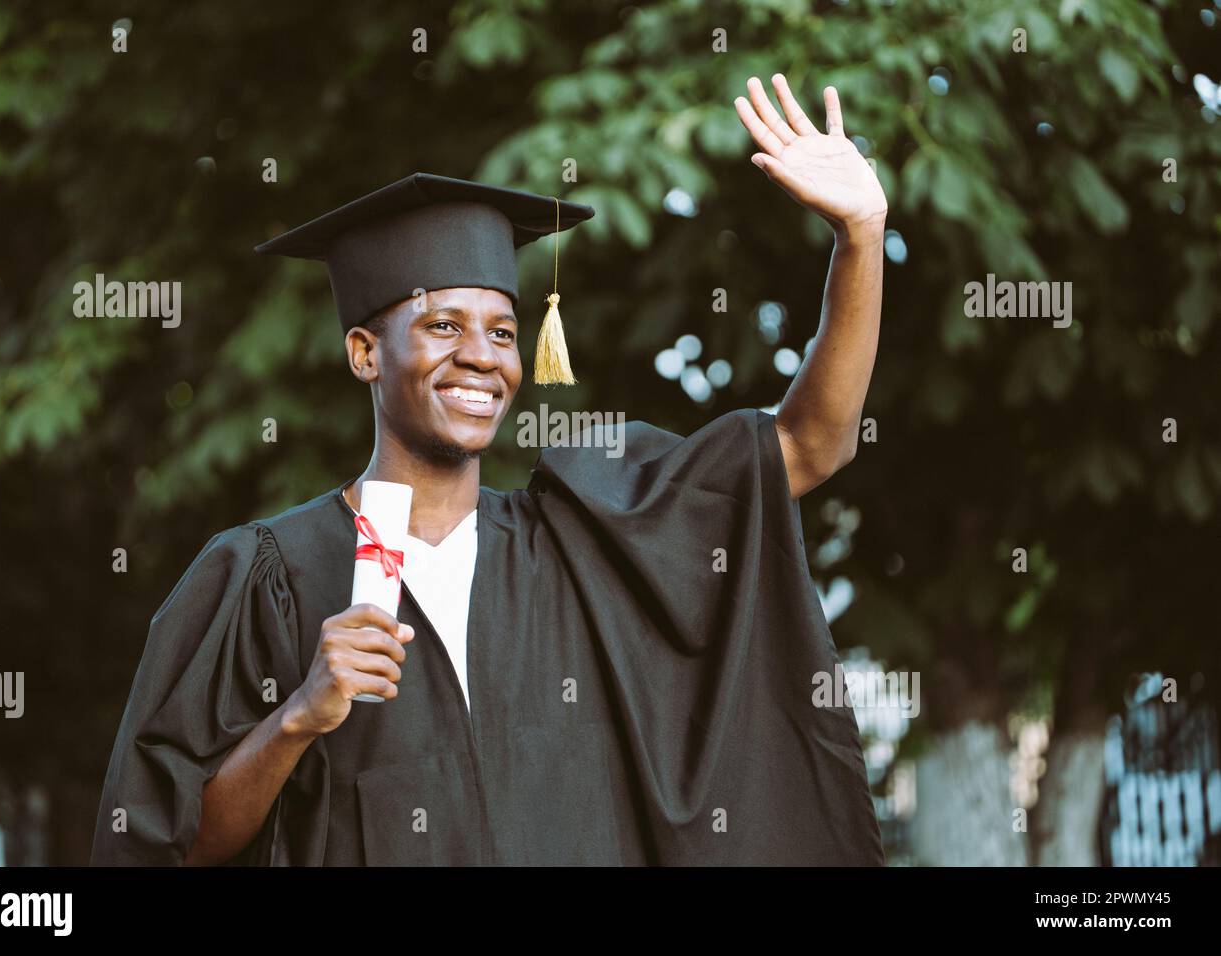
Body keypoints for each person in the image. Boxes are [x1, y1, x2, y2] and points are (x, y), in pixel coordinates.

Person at [90, 75, 888, 866]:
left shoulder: (586, 539)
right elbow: (171, 845)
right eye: (442, 325)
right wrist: (298, 715)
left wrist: (860, 236)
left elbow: (812, 444)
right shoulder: (267, 576)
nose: (480, 355)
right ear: (366, 353)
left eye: (504, 333)